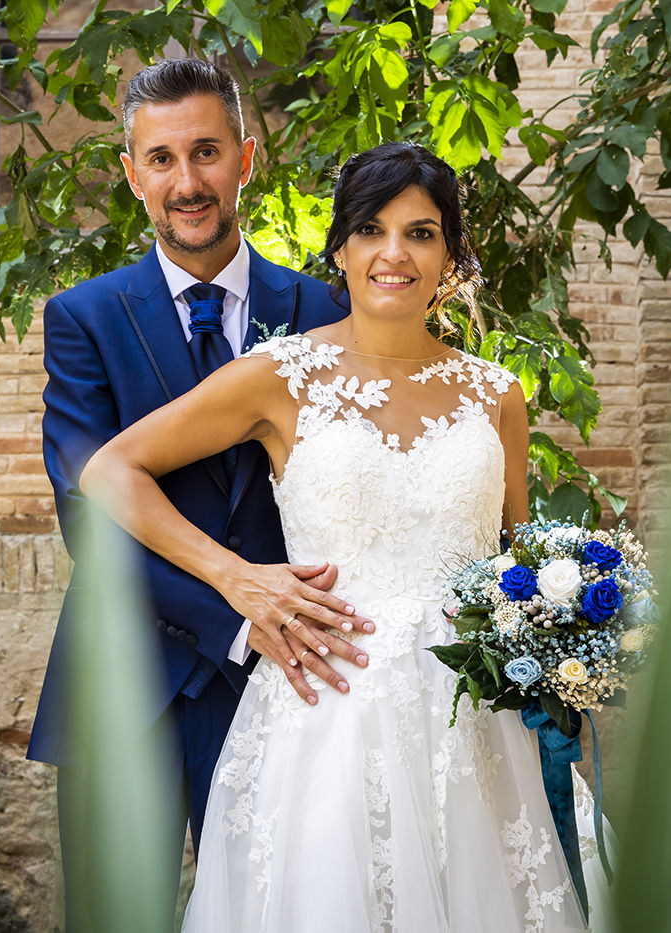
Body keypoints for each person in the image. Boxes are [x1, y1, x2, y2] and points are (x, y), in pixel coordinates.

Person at [82, 141, 594, 930]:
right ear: (343, 247)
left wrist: (573, 630)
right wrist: (234, 577)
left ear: (452, 253)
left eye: (422, 233)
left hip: (473, 730)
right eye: (371, 230)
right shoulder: (279, 376)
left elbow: (517, 563)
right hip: (329, 713)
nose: (395, 254)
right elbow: (110, 471)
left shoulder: (497, 395)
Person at [24, 58, 367, 928]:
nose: (189, 181)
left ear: (247, 159)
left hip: (286, 689)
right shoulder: (83, 318)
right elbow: (88, 516)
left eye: (207, 152)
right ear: (134, 174)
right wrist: (238, 606)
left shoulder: (325, 309)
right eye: (164, 159)